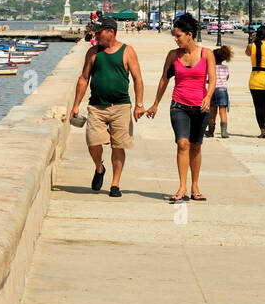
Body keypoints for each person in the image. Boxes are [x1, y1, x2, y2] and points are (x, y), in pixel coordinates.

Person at [69, 17, 145, 198]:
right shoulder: (93, 52)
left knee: (118, 146)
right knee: (93, 142)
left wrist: (139, 105)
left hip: (121, 107)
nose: (95, 35)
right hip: (97, 106)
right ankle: (99, 168)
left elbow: (138, 79)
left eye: (99, 32)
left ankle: (115, 184)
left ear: (111, 31)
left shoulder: (128, 51)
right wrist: (76, 105)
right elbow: (83, 79)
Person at [145, 13, 216, 202]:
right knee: (182, 144)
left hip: (200, 106)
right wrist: (155, 103)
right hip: (179, 105)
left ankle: (195, 186)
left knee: (196, 147)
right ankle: (182, 187)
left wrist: (208, 97)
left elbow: (213, 79)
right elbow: (164, 79)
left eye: (178, 36)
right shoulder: (173, 55)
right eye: (174, 36)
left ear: (190, 34)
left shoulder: (206, 53)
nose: (176, 40)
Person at [205, 45, 233, 138]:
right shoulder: (225, 68)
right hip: (223, 90)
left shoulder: (210, 67)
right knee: (223, 112)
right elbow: (226, 78)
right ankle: (224, 132)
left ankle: (210, 131)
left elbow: (209, 79)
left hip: (212, 90)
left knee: (212, 112)